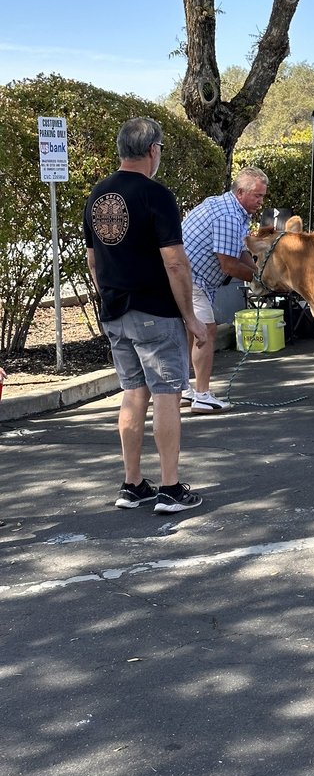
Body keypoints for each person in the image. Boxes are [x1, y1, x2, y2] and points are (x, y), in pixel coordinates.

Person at [83, 116, 207, 513]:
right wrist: (189, 316)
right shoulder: (156, 195)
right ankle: (171, 487)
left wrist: (109, 296)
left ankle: (132, 482)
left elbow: (92, 260)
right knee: (167, 393)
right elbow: (175, 262)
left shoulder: (97, 195)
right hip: (154, 309)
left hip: (115, 309)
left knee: (133, 393)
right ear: (152, 150)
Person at [181, 167, 268, 413]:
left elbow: (239, 251)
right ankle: (202, 395)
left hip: (189, 278)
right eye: (257, 196)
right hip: (190, 278)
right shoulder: (228, 216)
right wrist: (261, 280)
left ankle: (184, 391)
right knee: (204, 331)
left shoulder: (233, 210)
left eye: (263, 197)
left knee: (191, 331)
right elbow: (228, 264)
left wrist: (260, 273)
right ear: (240, 192)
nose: (260, 202)